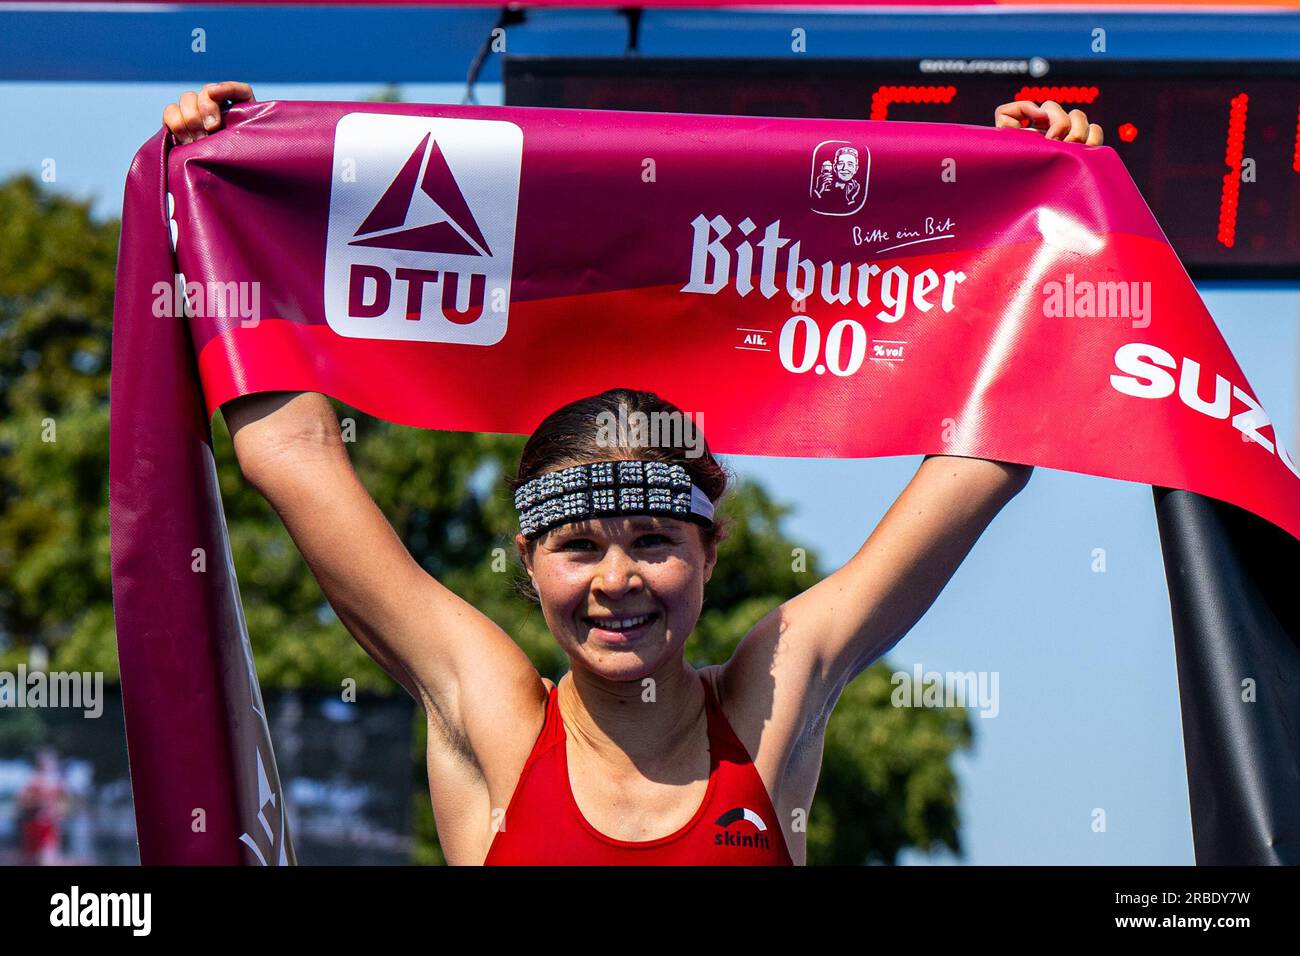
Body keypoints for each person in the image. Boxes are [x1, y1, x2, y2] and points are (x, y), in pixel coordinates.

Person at [162, 84, 1103, 865]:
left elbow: (985, 462)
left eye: (653, 542)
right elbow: (289, 455)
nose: (617, 582)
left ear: (709, 555)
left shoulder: (772, 698)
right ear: (527, 564)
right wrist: (213, 196)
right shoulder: (492, 712)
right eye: (579, 547)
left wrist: (1043, 207)